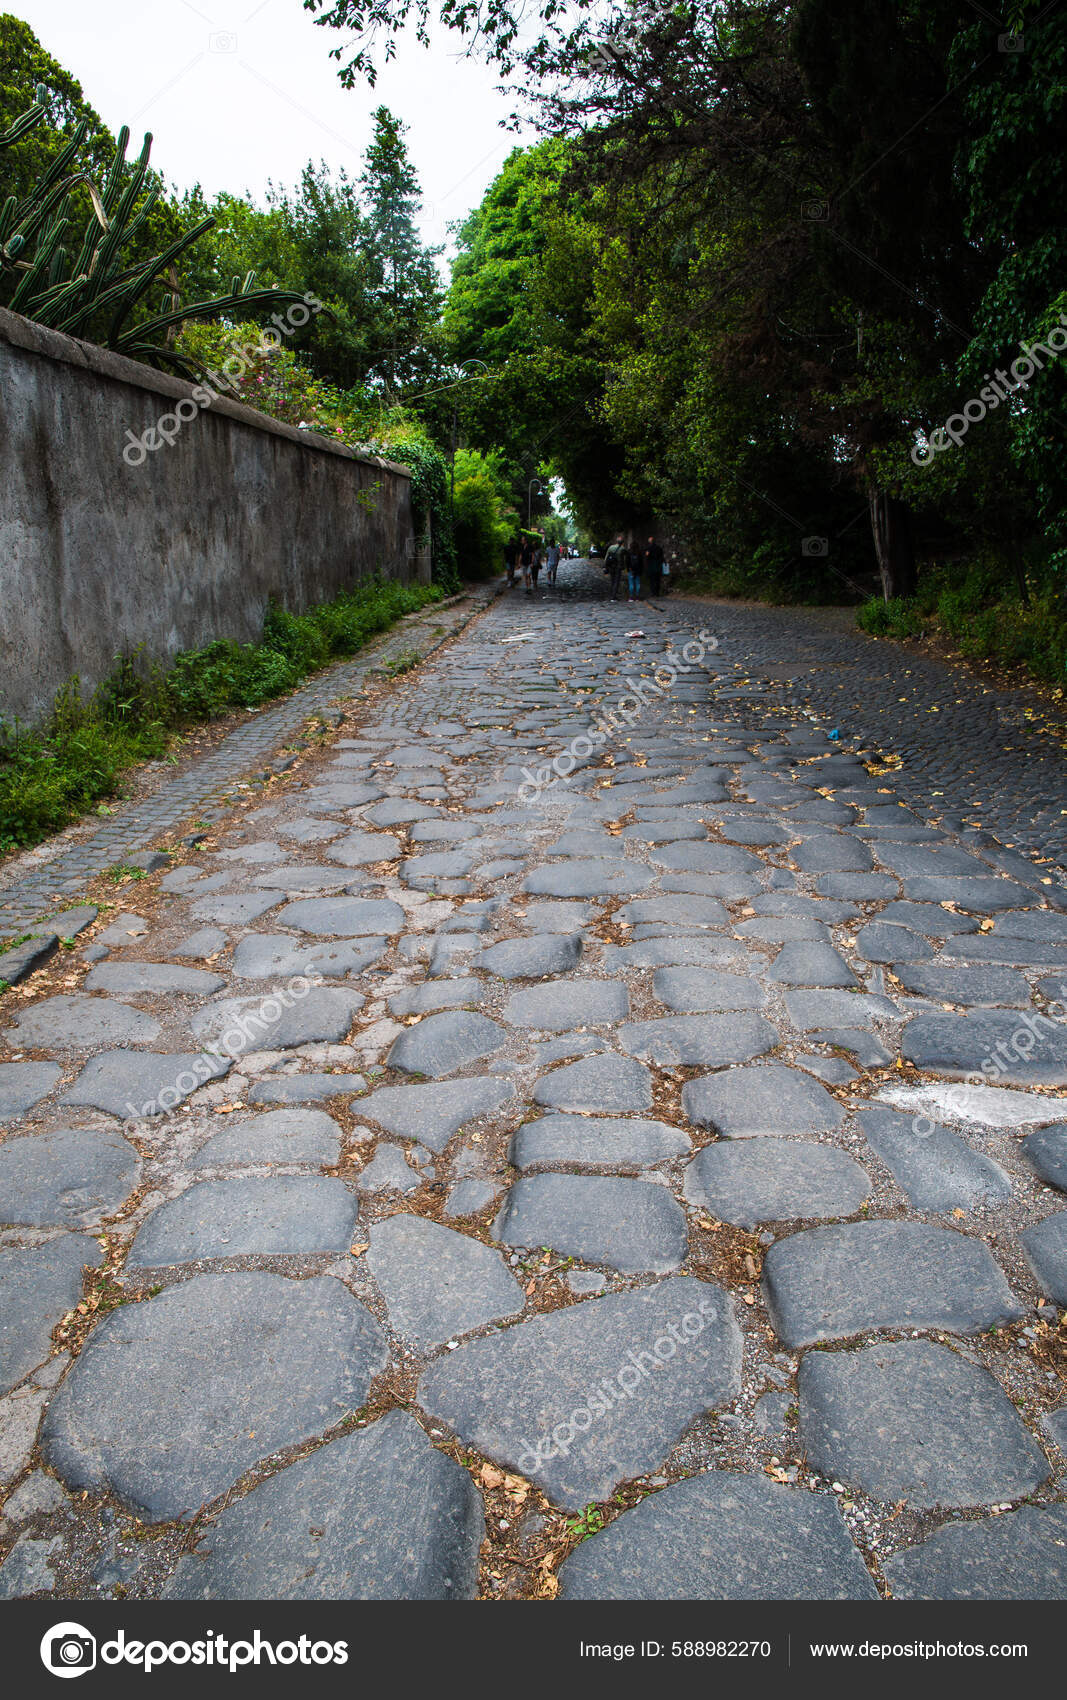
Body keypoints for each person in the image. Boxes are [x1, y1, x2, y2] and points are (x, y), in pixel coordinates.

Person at [604, 534, 627, 601]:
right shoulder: (622, 549)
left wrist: (605, 566)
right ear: (622, 542)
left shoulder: (611, 547)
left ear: (617, 541)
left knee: (612, 580)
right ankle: (613, 596)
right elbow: (625, 558)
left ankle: (612, 594)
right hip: (618, 567)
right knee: (616, 581)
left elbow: (606, 557)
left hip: (611, 566)